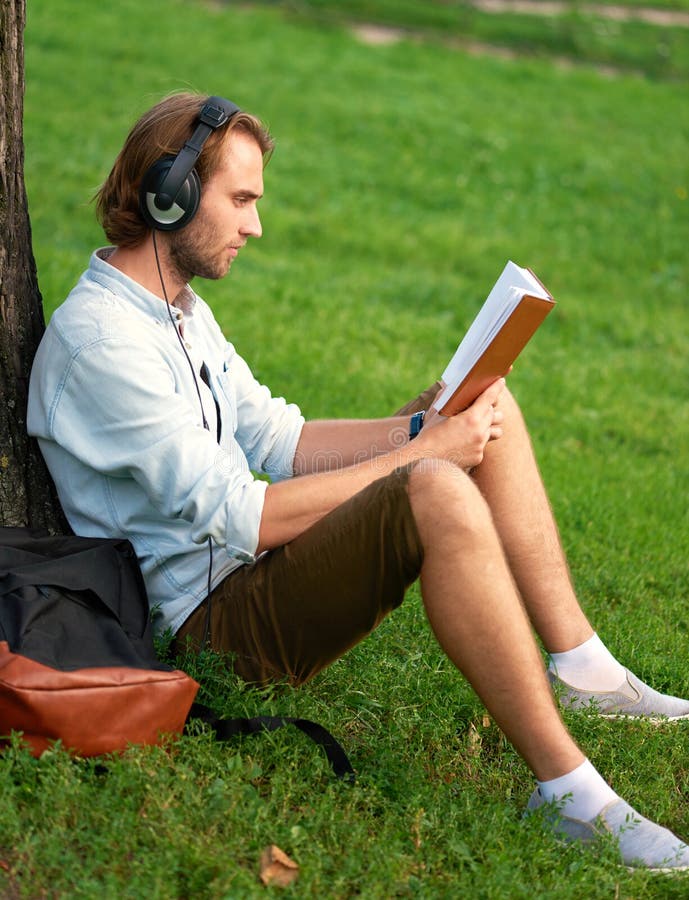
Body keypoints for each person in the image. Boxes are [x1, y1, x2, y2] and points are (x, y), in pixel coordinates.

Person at [27, 92, 689, 871]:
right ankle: (572, 797)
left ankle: (585, 670)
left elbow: (279, 436)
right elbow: (245, 515)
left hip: (248, 577)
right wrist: (424, 456)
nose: (254, 225)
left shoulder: (174, 309)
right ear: (169, 193)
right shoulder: (103, 341)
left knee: (482, 407)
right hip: (201, 630)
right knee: (435, 487)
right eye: (241, 200)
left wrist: (416, 428)